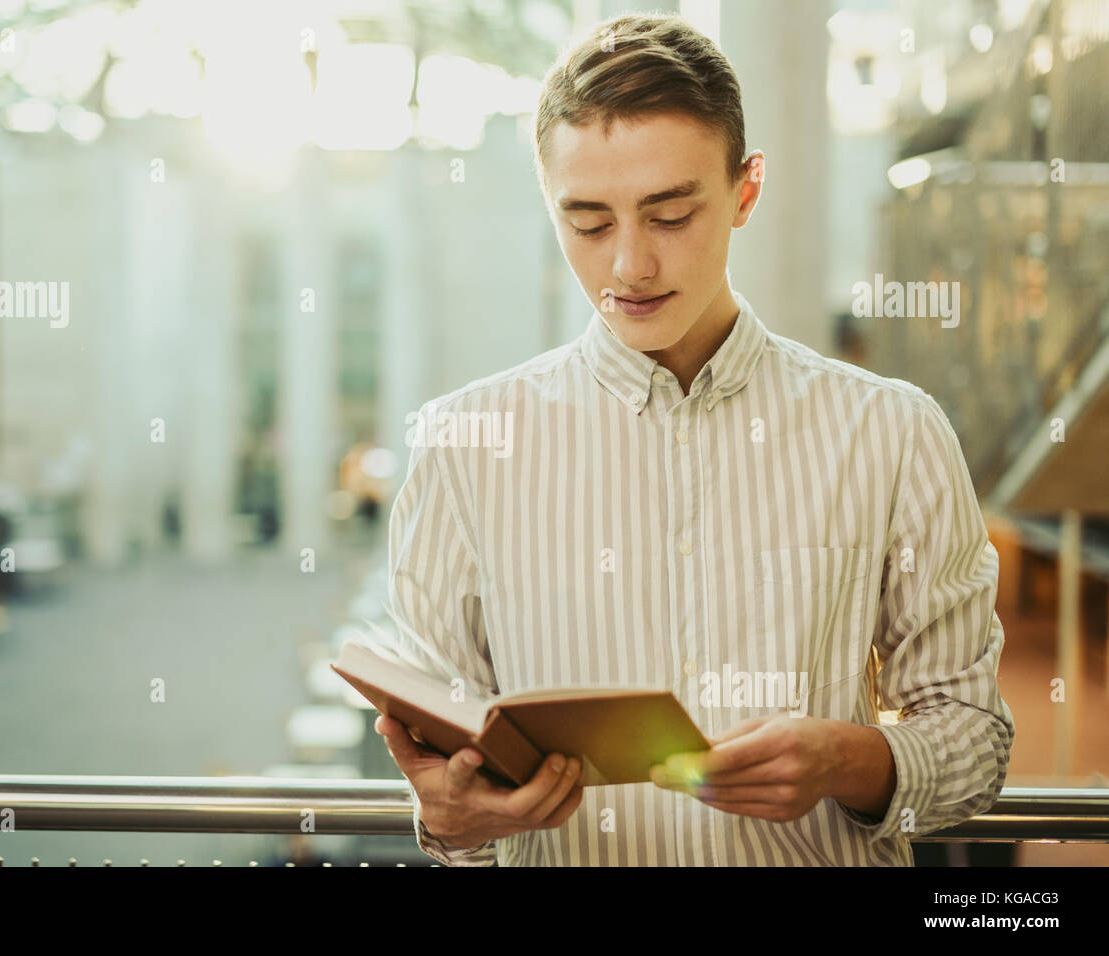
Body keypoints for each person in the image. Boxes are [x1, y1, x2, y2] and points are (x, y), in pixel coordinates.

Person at [372, 12, 1014, 866]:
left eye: (670, 214)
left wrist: (850, 760)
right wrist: (451, 823)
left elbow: (977, 741)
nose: (629, 266)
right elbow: (451, 781)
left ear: (747, 191)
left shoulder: (891, 432)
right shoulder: (463, 449)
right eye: (589, 223)